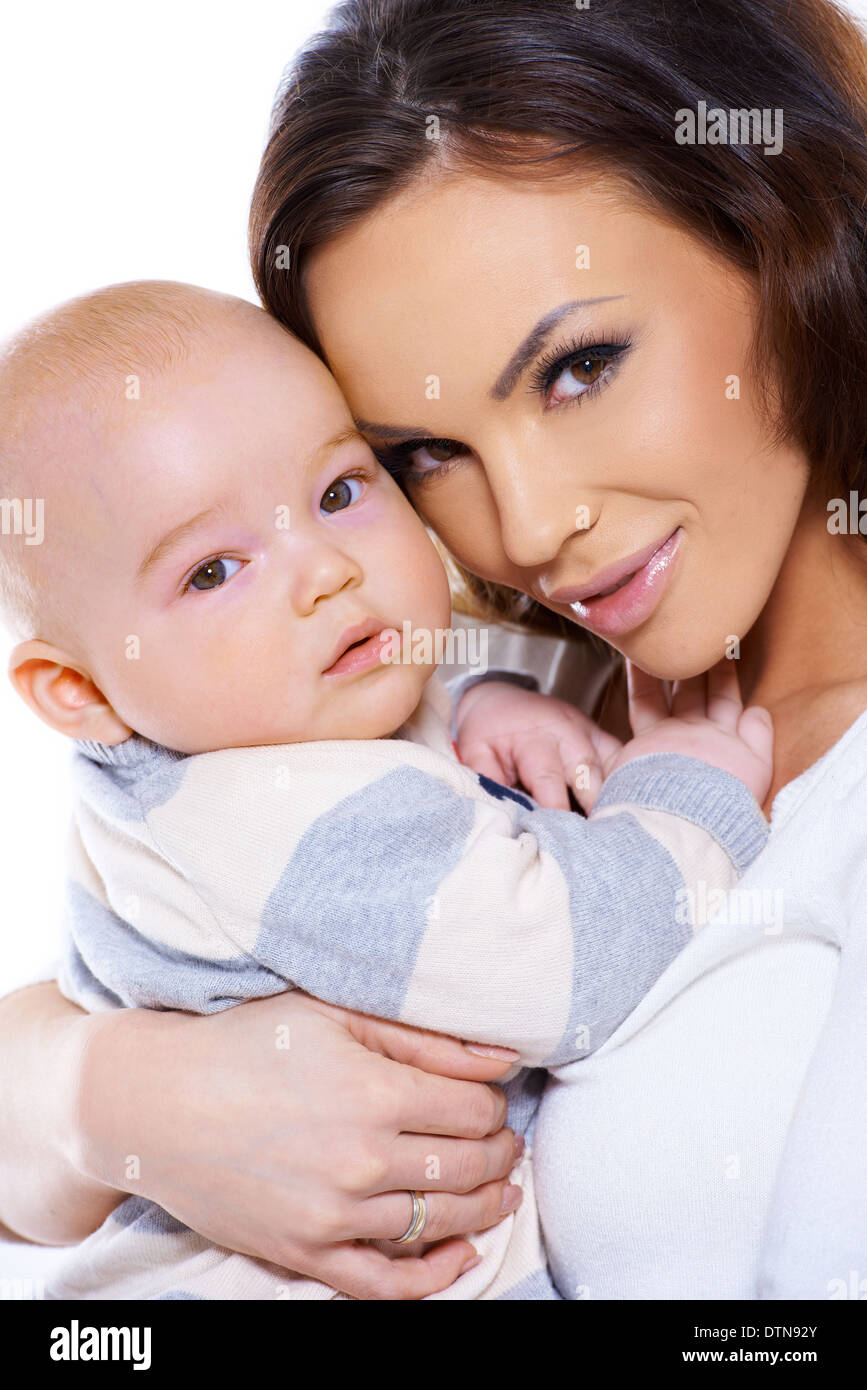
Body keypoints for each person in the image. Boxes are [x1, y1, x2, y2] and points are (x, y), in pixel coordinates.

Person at [3, 0, 865, 1300]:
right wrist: (122, 1095)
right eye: (421, 451)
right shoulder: (478, 683)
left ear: (786, 242)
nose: (528, 528)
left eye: (578, 366)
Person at [1, 279, 771, 1299]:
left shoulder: (245, 740)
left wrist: (479, 703)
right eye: (213, 571)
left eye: (337, 493)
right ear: (79, 691)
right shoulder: (271, 811)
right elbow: (576, 962)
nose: (322, 569)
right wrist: (685, 799)